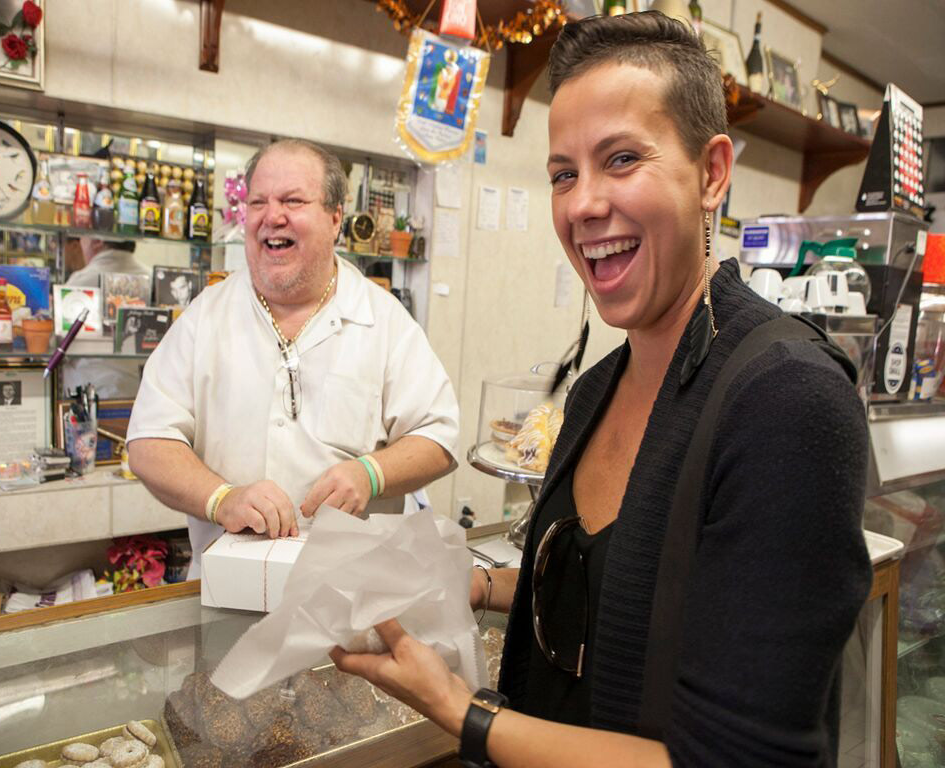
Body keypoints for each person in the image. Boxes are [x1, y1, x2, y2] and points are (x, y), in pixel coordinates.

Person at [332, 12, 871, 768]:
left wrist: (464, 714)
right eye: (563, 173)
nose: (582, 204)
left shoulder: (788, 404)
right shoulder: (591, 394)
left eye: (621, 159)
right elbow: (626, 589)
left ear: (712, 172)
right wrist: (478, 583)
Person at [127, 138, 460, 576]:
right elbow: (149, 441)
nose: (272, 216)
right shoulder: (205, 317)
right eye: (259, 201)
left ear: (335, 218)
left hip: (350, 594)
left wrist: (371, 473)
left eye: (293, 200)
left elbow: (438, 435)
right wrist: (221, 498)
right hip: (229, 589)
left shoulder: (383, 321)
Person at [64, 237, 151, 398]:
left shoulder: (81, 281)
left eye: (82, 238)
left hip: (91, 395)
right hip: (140, 394)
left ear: (96, 240)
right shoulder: (152, 277)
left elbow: (59, 345)